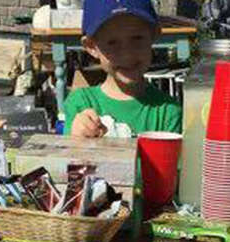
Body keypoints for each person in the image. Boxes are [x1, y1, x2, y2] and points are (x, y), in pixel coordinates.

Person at [64, 0, 182, 139]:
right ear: (91, 46)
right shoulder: (81, 103)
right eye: (112, 42)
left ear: (154, 35)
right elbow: (67, 152)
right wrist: (77, 138)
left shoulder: (168, 111)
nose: (127, 55)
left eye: (137, 38)